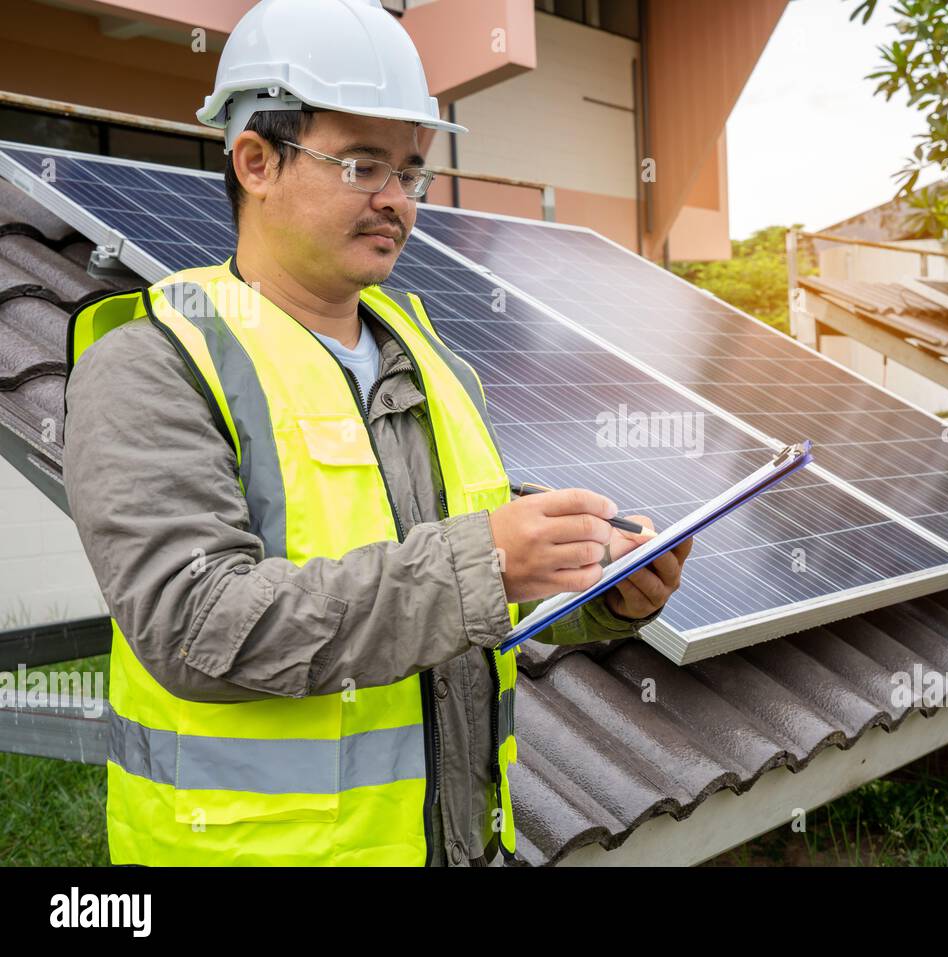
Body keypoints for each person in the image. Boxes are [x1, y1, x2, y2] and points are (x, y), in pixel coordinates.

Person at [61, 0, 692, 867]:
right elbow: (194, 624)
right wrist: (488, 560)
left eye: (413, 171)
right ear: (255, 161)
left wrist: (593, 582)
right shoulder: (152, 363)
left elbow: (462, 568)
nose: (399, 200)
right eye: (363, 164)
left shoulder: (429, 355)